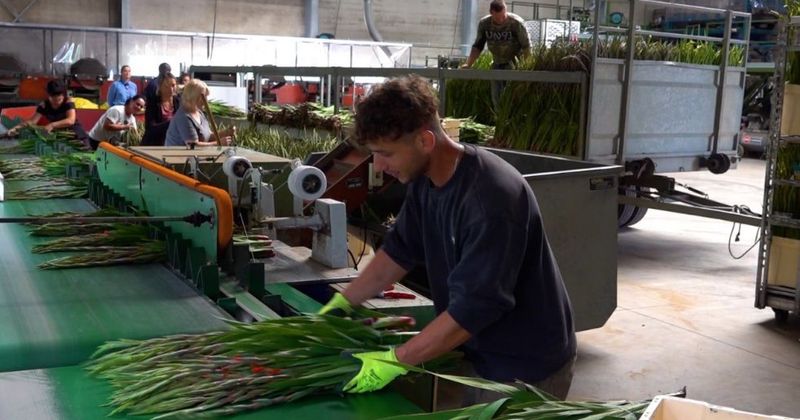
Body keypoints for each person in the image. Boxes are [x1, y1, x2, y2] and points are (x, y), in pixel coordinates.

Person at [319, 76, 576, 401]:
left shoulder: (490, 199)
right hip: (477, 351)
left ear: (425, 141)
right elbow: (397, 253)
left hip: (524, 365)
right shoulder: (425, 180)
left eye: (385, 154)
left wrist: (395, 360)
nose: (380, 166)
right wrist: (344, 302)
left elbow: (474, 309)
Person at [461, 0, 531, 108]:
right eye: (498, 18)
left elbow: (526, 46)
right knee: (496, 96)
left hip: (515, 63)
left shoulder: (516, 23)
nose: (501, 20)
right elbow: (478, 45)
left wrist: (527, 68)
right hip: (497, 62)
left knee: (512, 96)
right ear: (491, 13)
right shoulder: (484, 24)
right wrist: (469, 64)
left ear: (506, 10)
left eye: (503, 16)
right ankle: (499, 119)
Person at [7, 79, 89, 145]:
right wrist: (16, 128)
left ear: (63, 95)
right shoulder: (44, 105)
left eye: (59, 99)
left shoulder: (68, 102)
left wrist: (52, 125)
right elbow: (32, 122)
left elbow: (71, 120)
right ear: (48, 96)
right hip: (61, 139)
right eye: (53, 100)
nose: (57, 102)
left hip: (77, 136)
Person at [164, 79, 234, 147]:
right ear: (194, 97)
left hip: (195, 158)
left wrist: (225, 133)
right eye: (204, 97)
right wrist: (218, 143)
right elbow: (193, 145)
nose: (206, 100)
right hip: (178, 157)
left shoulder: (199, 113)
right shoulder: (183, 117)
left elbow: (207, 137)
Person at [140, 73, 179, 146]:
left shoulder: (179, 102)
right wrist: (171, 123)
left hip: (173, 144)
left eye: (173, 85)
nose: (171, 89)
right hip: (154, 144)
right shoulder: (153, 103)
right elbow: (150, 128)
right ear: (160, 86)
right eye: (167, 86)